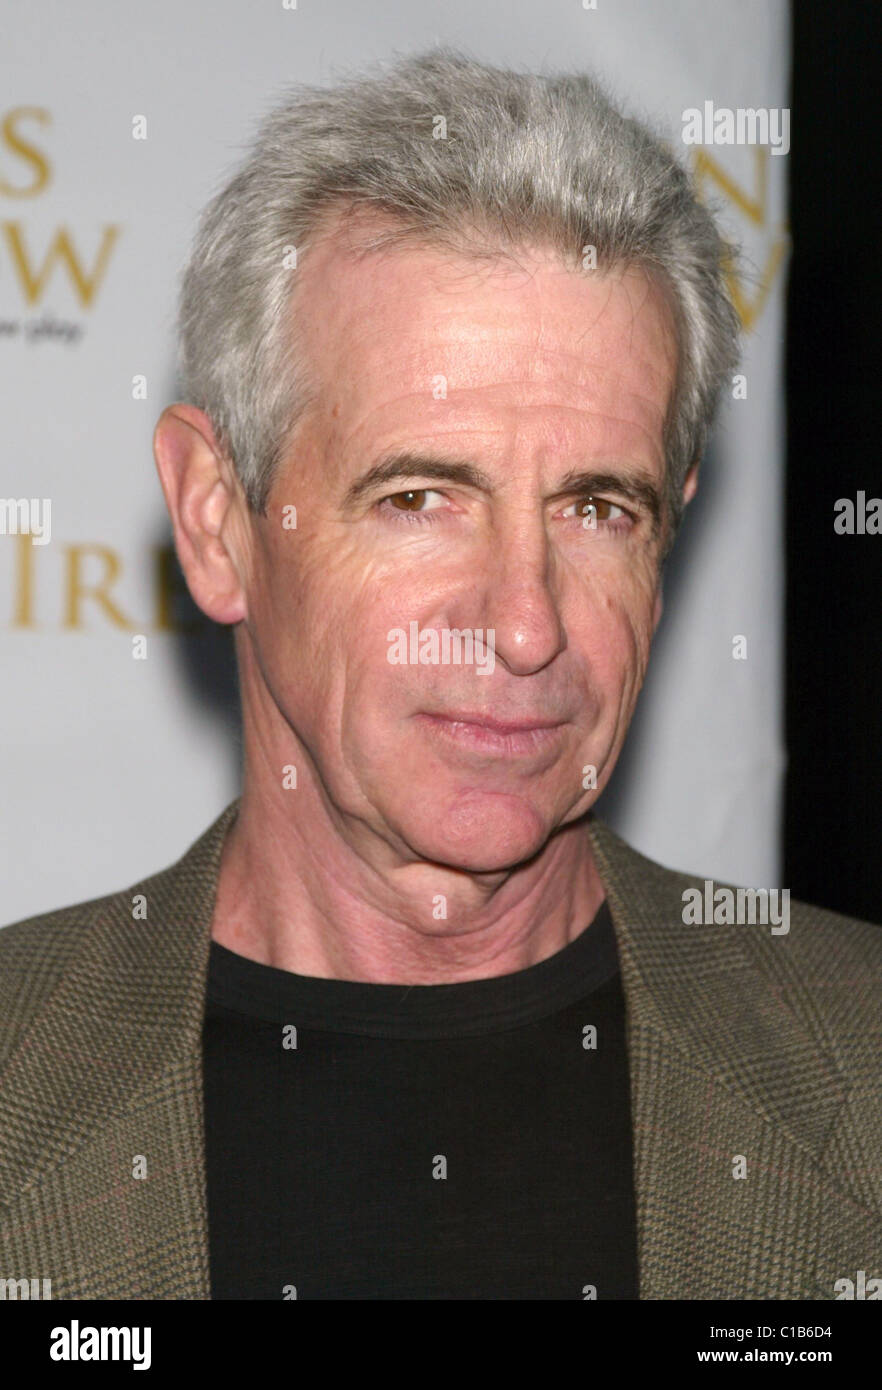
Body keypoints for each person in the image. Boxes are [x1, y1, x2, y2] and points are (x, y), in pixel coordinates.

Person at [2, 47, 880, 1301]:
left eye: (597, 510)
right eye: (421, 497)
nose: (525, 626)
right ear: (217, 520)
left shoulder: (860, 1066)